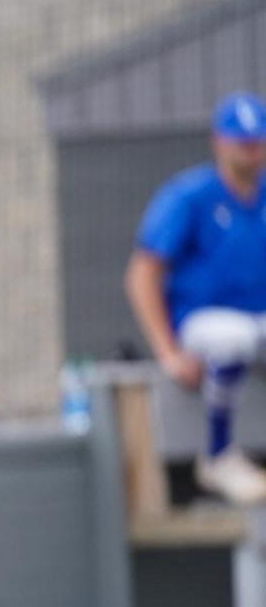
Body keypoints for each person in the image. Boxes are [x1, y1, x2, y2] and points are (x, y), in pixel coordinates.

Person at [125, 91, 266, 505]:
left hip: (259, 323)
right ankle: (219, 453)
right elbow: (142, 275)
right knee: (234, 337)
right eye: (243, 142)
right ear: (219, 142)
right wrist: (167, 352)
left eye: (258, 140)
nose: (252, 151)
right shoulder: (189, 196)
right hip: (202, 325)